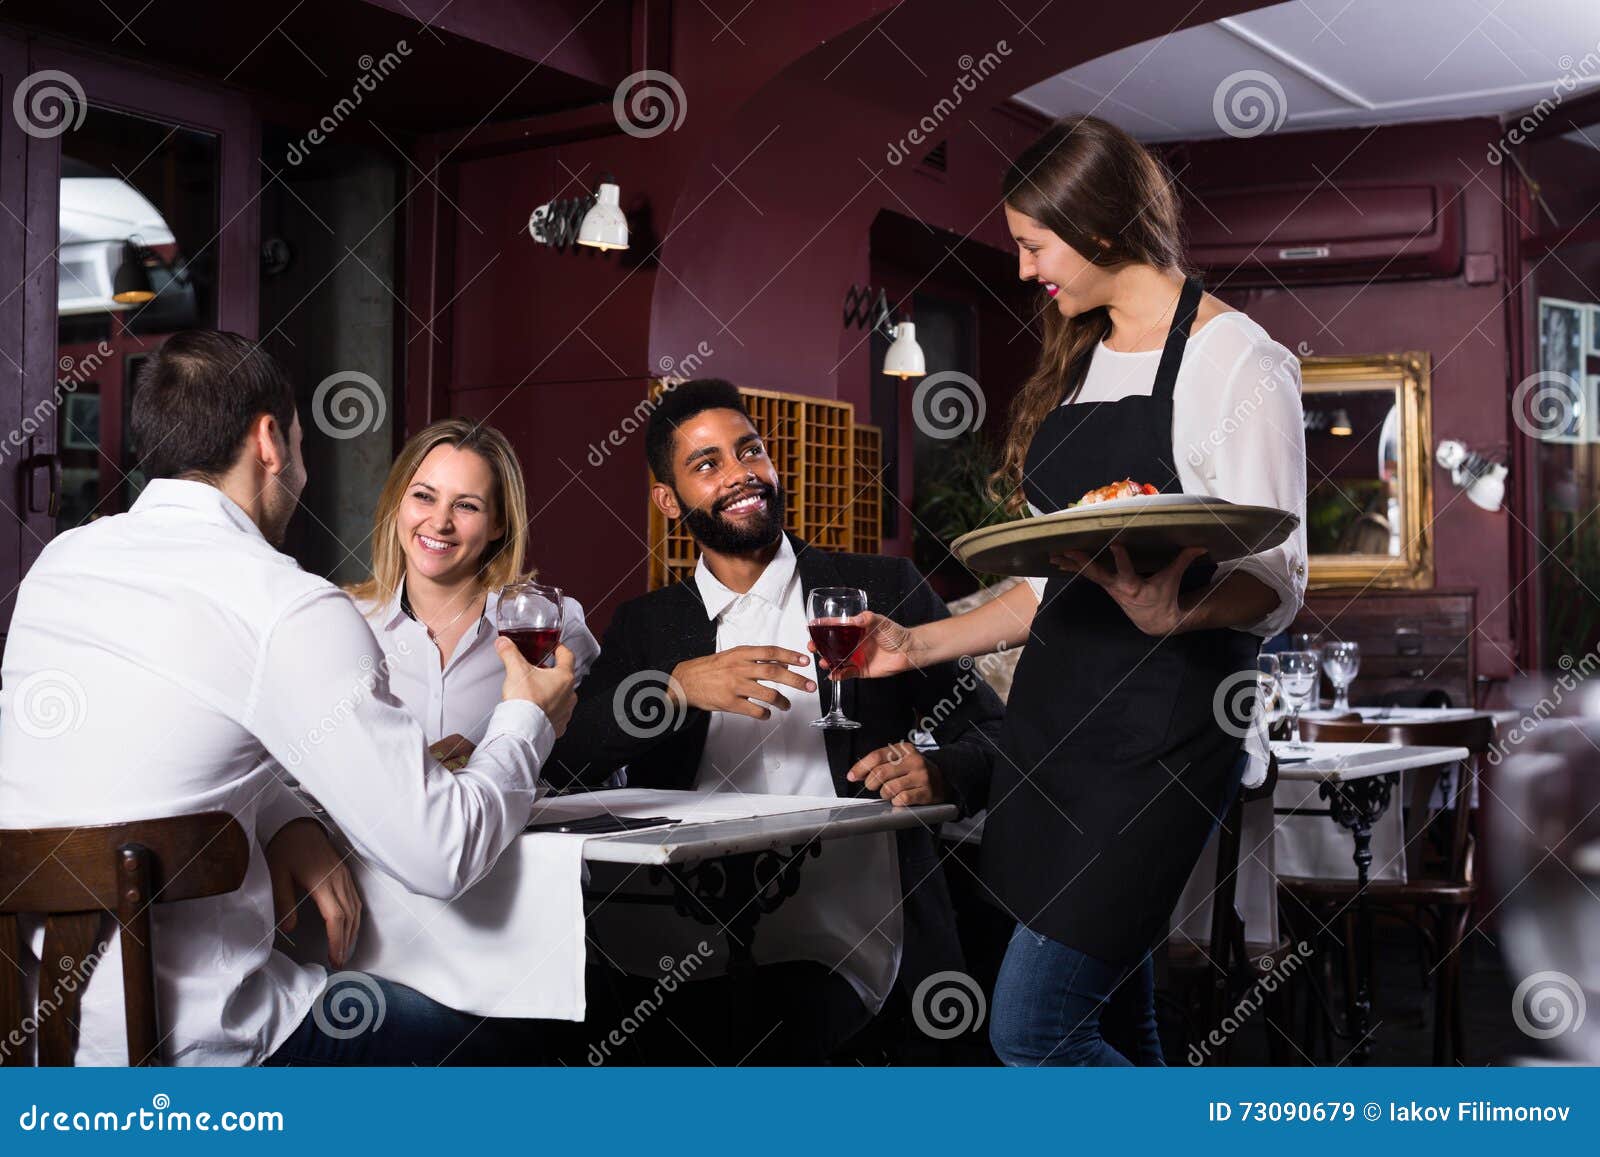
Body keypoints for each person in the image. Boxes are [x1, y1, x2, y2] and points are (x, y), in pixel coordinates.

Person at [824, 116, 1308, 1066]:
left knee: (1034, 1029)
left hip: (1163, 739)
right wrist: (914, 643)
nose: (1022, 268)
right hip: (1055, 730)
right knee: (1118, 1021)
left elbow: (1279, 579)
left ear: (1099, 228)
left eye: (1034, 244)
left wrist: (1181, 610)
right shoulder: (1085, 356)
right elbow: (1055, 584)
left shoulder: (1238, 361)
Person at [0, 331, 577, 1065]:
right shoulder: (290, 605)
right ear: (269, 441)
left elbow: (157, 742)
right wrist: (527, 718)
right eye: (302, 441)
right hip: (206, 1057)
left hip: (37, 1048)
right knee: (530, 1043)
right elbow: (441, 854)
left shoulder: (62, 565)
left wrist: (284, 816)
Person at [544, 378, 1004, 1063]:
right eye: (707, 464)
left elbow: (996, 734)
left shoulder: (884, 587)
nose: (740, 474)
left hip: (860, 916)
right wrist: (673, 688)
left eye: (749, 450)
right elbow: (568, 760)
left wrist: (940, 772)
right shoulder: (646, 626)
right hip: (685, 927)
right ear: (669, 501)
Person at [346, 418, 600, 766]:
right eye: (424, 496)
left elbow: (599, 766)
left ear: (498, 523)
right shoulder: (345, 620)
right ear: (397, 504)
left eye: (466, 505)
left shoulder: (553, 624)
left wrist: (488, 757)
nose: (440, 523)